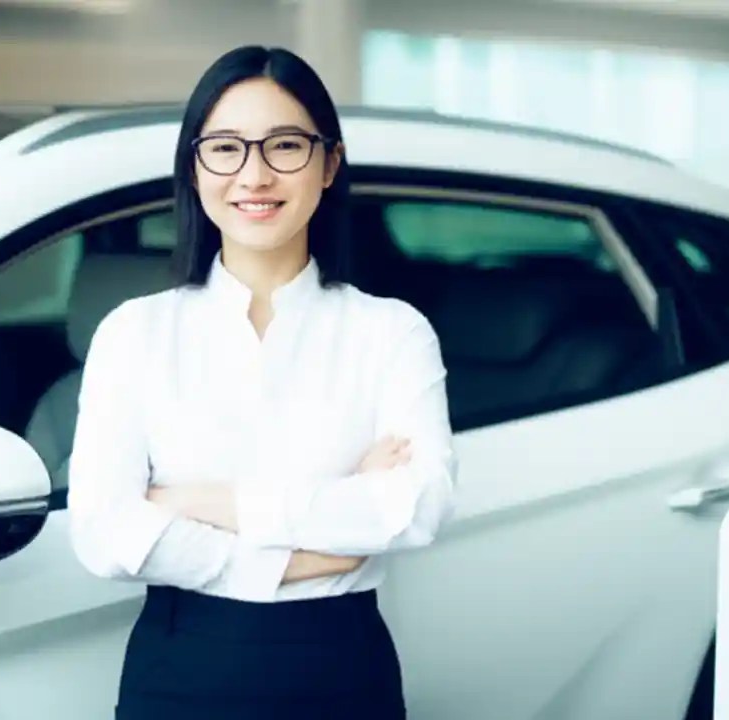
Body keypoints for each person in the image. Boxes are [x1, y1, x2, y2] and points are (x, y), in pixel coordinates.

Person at [66, 44, 457, 719]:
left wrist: (204, 501)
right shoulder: (135, 333)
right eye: (225, 148)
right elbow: (104, 533)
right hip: (179, 672)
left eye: (285, 146)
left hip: (341, 671)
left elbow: (418, 507)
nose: (254, 174)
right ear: (195, 166)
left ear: (329, 162)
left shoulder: (391, 332)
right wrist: (315, 545)